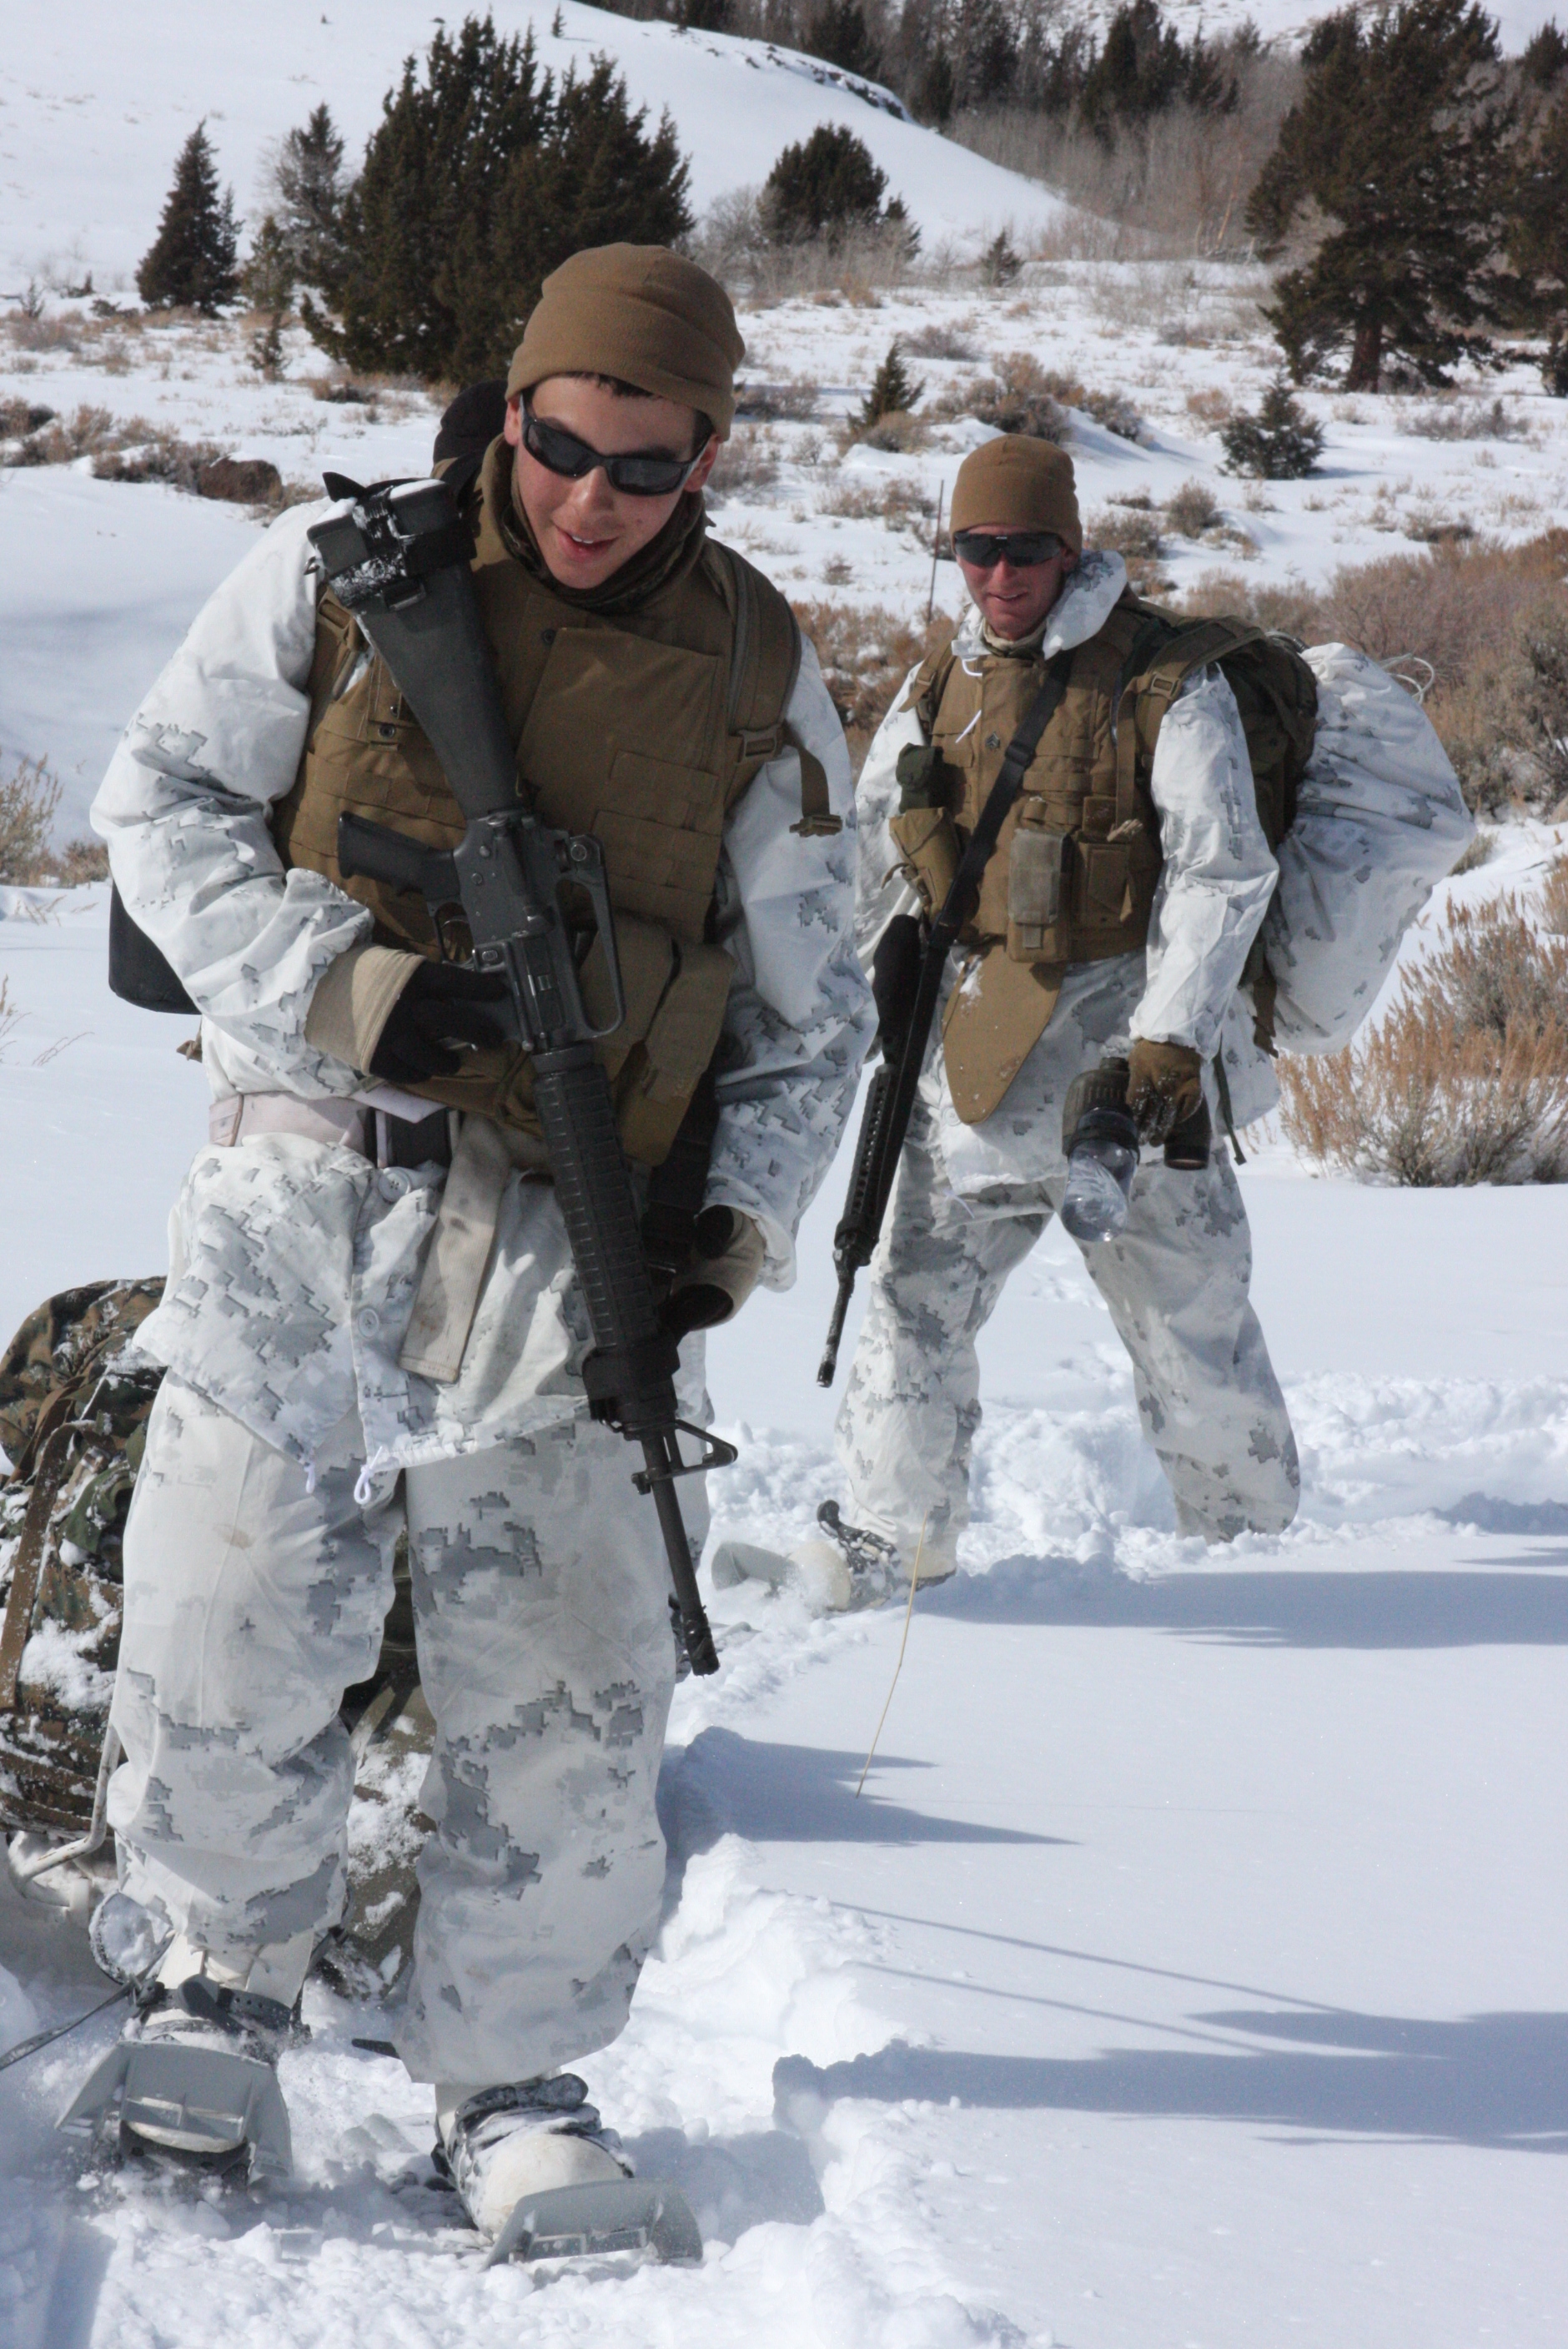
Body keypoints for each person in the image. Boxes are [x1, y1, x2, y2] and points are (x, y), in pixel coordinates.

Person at [80, 244, 873, 2239]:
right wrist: (350, 986)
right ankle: (211, 1987)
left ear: (710, 458)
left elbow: (817, 1013)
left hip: (578, 1253)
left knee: (571, 1682)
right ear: (510, 407)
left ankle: (512, 2073)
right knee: (230, 1610)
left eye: (648, 466)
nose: (593, 497)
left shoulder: (766, 682)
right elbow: (159, 809)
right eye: (560, 445)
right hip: (307, 1192)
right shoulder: (337, 583)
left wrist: (732, 1232)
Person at [826, 433, 1299, 1588]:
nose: (999, 575)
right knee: (907, 1311)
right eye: (975, 550)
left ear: (1071, 545)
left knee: (1193, 1327)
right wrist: (879, 958)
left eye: (1025, 549)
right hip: (974, 1068)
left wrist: (1170, 1045)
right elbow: (868, 841)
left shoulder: (1160, 683)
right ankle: (894, 1551)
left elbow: (1221, 870)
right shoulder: (939, 683)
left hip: (1132, 1080)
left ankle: (1256, 1561)